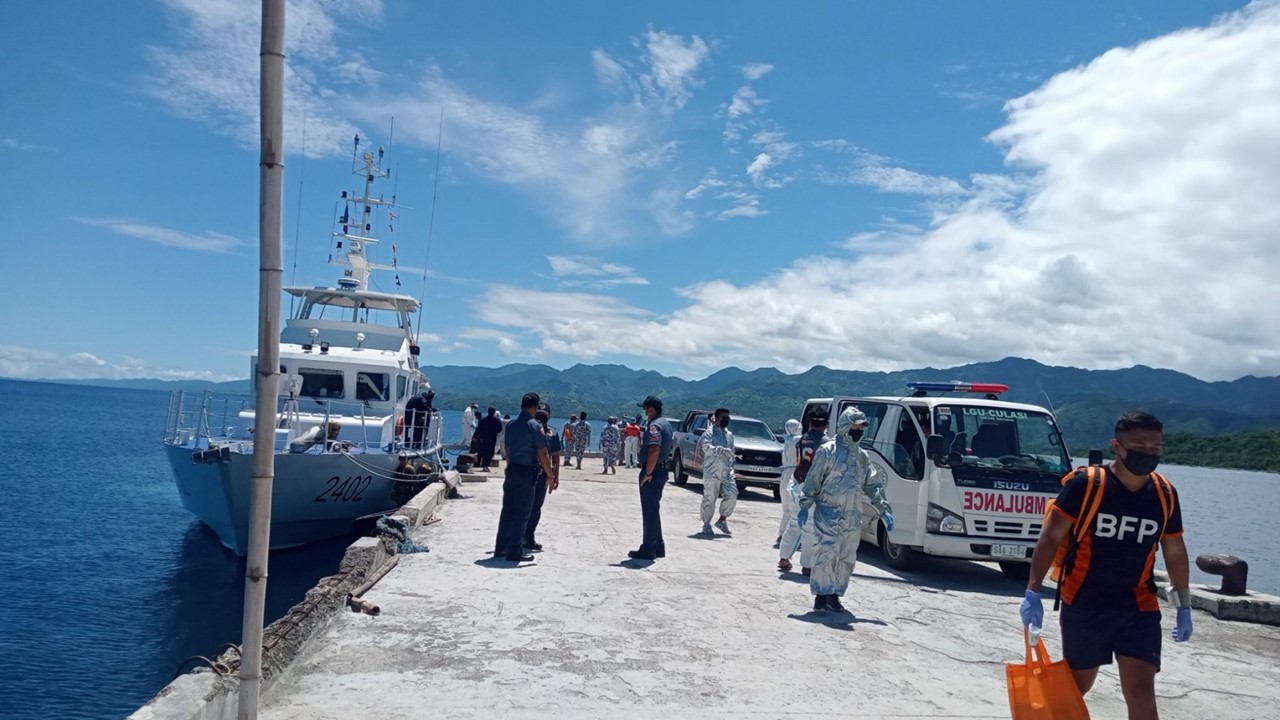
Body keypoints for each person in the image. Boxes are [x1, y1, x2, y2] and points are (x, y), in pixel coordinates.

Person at [1020, 411, 1190, 720]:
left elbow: (1175, 550)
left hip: (1139, 609)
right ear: (1117, 446)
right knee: (1074, 687)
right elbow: (1050, 537)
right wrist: (1033, 590)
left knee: (1140, 691)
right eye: (1139, 446)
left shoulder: (1164, 494)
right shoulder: (1088, 484)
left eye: (1155, 448)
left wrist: (1183, 604)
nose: (1148, 453)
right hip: (1085, 605)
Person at [798, 406, 893, 613]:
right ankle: (821, 595)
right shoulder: (828, 451)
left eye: (862, 428)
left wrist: (883, 508)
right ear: (845, 427)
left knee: (847, 556)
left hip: (852, 513)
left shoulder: (862, 456)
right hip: (829, 510)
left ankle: (835, 594)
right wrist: (805, 504)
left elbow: (872, 483)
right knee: (827, 551)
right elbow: (814, 479)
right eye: (856, 427)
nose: (859, 431)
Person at [492, 393, 556, 563]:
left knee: (507, 510)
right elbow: (542, 453)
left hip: (512, 469)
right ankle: (515, 551)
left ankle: (501, 548)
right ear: (535, 407)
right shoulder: (535, 426)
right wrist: (550, 475)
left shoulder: (511, 425)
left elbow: (508, 449)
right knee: (522, 513)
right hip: (527, 471)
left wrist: (510, 467)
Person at [779, 410, 828, 573]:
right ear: (826, 424)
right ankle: (807, 565)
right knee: (810, 527)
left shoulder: (801, 440)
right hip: (811, 488)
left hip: (796, 483)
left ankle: (784, 557)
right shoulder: (826, 442)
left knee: (794, 522)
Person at [629, 396, 672, 560]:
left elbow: (654, 448)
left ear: (652, 410)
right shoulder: (666, 423)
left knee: (649, 512)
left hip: (653, 472)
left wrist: (648, 473)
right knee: (654, 510)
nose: (645, 412)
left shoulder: (654, 426)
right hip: (661, 470)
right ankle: (658, 546)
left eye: (646, 409)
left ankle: (648, 548)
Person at [524, 402, 562, 553]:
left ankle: (529, 536)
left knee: (536, 507)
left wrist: (555, 476)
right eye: (538, 415)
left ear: (550, 416)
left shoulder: (553, 434)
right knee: (523, 506)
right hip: (527, 473)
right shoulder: (528, 430)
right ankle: (518, 537)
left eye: (544, 416)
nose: (541, 418)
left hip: (543, 476)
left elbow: (556, 457)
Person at [698, 408, 738, 536]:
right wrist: (720, 450)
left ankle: (722, 520)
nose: (726, 419)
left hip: (727, 471)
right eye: (723, 417)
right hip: (712, 471)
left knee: (732, 494)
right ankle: (706, 523)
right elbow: (705, 447)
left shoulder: (729, 435)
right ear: (716, 418)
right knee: (710, 499)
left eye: (728, 417)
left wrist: (732, 468)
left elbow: (731, 452)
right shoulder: (709, 433)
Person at [774, 418, 803, 548]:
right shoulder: (799, 440)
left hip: (785, 474)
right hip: (795, 473)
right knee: (795, 508)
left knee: (786, 509)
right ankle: (787, 536)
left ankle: (782, 534)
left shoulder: (787, 440)